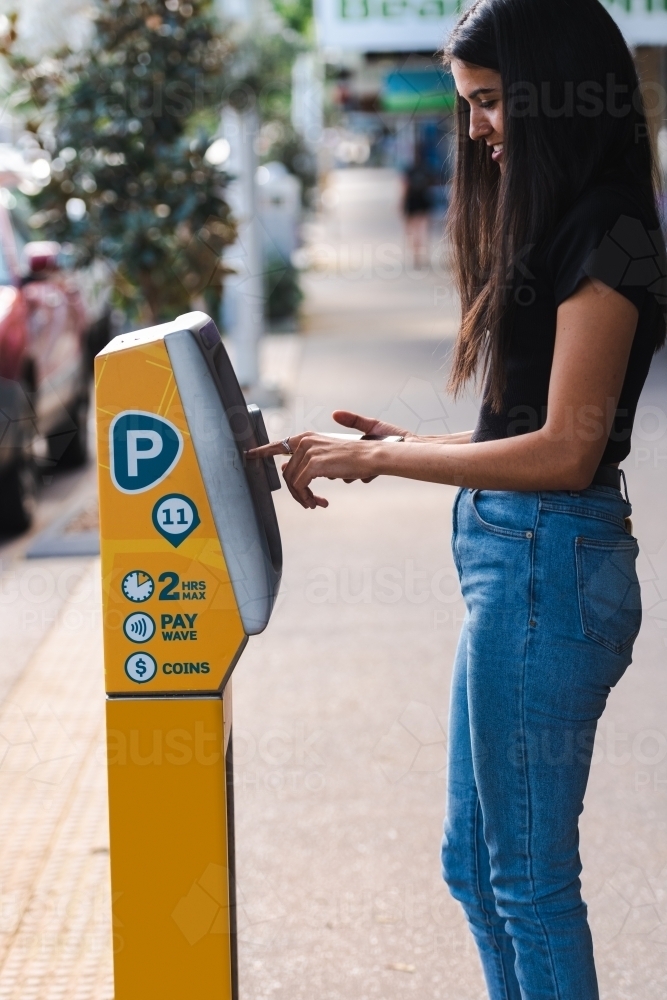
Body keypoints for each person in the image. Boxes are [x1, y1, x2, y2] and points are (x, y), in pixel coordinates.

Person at [248, 1, 666, 996]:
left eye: (488, 103)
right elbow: (521, 435)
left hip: (546, 565)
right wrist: (405, 444)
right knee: (475, 868)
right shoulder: (567, 224)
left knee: (525, 880)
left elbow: (567, 452)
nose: (475, 129)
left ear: (553, 95)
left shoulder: (610, 236)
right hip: (519, 560)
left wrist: (380, 465)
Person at [402, 156, 433, 268]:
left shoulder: (408, 171)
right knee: (423, 231)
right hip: (423, 203)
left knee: (413, 232)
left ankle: (416, 257)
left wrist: (401, 204)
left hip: (412, 204)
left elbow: (404, 187)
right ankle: (424, 255)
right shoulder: (426, 170)